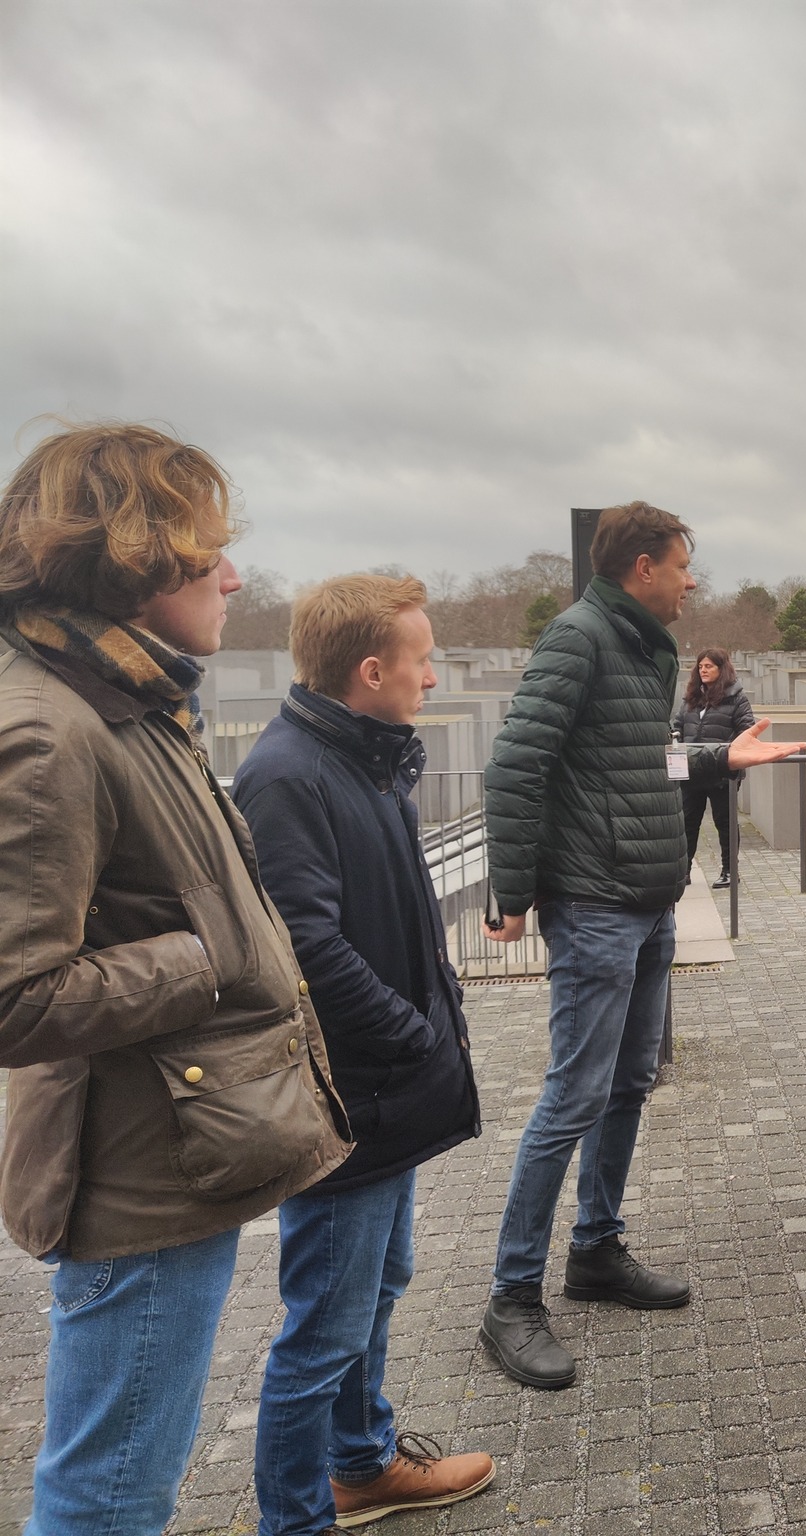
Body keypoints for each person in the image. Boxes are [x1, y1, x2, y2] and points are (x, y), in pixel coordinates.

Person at [0, 423, 351, 1535]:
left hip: (174, 1147)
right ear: (136, 558)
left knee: (123, 1478)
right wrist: (213, 956)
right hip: (136, 1178)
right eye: (210, 552)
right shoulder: (50, 730)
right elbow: (15, 997)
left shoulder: (124, 696)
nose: (235, 575)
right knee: (110, 1495)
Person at [479, 501, 804, 1389]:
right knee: (571, 1096)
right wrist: (512, 893)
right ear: (643, 567)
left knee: (627, 1082)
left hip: (648, 898)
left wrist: (718, 763)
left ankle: (595, 1252)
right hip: (594, 906)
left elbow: (632, 766)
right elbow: (513, 767)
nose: (693, 580)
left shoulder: (635, 646)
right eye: (683, 564)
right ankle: (511, 1297)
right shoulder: (579, 638)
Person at [232, 574, 493, 1533]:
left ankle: (362, 1464)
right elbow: (304, 944)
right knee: (324, 1330)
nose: (435, 675)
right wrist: (409, 1031)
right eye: (423, 659)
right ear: (372, 670)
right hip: (351, 1104)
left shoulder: (362, 757)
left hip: (390, 1092)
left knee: (376, 1288)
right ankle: (296, 1516)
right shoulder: (291, 772)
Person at [673, 646, 755, 889]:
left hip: (722, 772)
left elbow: (746, 730)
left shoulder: (736, 697)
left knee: (725, 823)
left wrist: (728, 755)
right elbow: (678, 725)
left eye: (708, 666)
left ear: (721, 669)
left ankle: (730, 871)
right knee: (687, 822)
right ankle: (683, 871)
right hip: (692, 771)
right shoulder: (691, 697)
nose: (703, 670)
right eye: (700, 666)